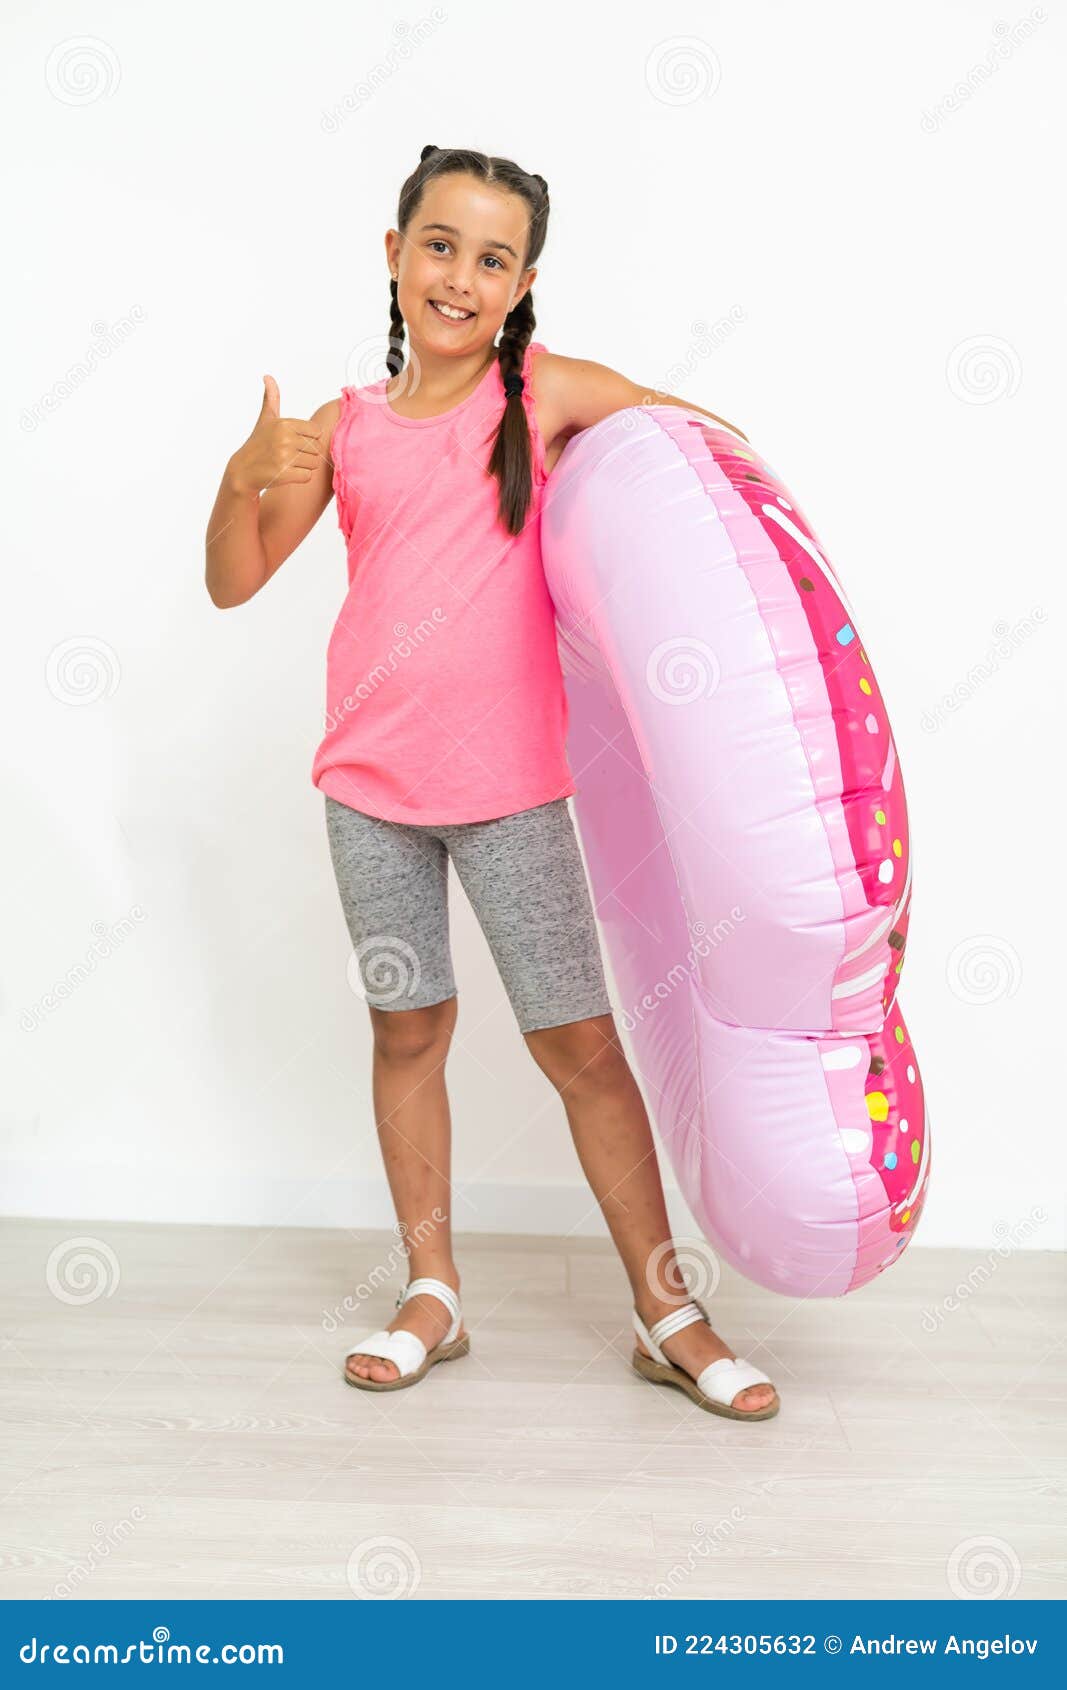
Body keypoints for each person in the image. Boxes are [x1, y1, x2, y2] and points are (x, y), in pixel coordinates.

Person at [204, 144, 779, 1422]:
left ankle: (666, 1309)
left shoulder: (545, 394)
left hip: (513, 793)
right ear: (396, 253)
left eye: (492, 257)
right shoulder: (340, 429)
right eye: (441, 245)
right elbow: (233, 579)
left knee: (576, 1044)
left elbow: (701, 448)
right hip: (369, 792)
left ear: (522, 283)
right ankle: (431, 1291)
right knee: (408, 1031)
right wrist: (241, 476)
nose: (461, 275)